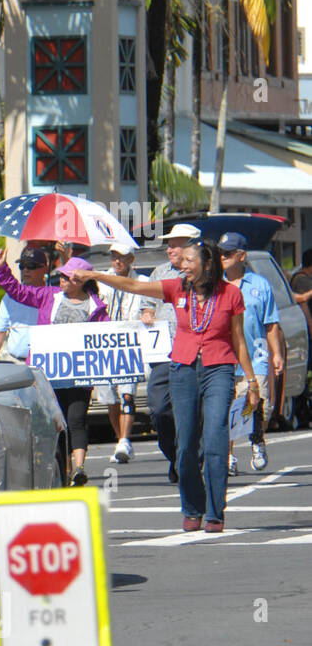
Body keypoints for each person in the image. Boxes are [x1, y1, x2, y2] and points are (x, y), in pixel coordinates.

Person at [71, 241, 259, 533]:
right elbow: (132, 285)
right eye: (180, 261)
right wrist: (96, 276)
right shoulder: (177, 288)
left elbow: (239, 340)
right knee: (185, 444)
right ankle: (192, 508)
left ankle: (214, 513)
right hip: (183, 369)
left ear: (206, 265)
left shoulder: (230, 293)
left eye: (187, 260)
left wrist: (252, 380)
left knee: (215, 439)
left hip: (219, 369)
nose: (181, 265)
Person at [0, 248, 109, 486]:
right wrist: (2, 268)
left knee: (76, 419)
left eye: (68, 276)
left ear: (81, 280)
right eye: (62, 276)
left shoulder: (96, 307)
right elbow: (17, 291)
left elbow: (104, 339)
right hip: (49, 373)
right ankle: (63, 469)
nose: (63, 280)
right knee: (56, 422)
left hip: (79, 373)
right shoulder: (48, 295)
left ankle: (79, 468)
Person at [219, 233, 283, 474]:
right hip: (226, 357)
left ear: (241, 256)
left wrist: (276, 353)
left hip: (256, 357)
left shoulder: (259, 285)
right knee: (229, 407)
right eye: (221, 253)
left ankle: (257, 439)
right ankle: (228, 456)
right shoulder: (216, 285)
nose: (222, 257)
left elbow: (271, 323)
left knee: (255, 404)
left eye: (228, 253)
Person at [143, 222, 198, 483]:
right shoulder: (160, 273)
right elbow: (147, 303)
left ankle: (191, 459)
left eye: (175, 244)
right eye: (169, 244)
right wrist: (147, 312)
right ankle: (175, 455)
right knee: (158, 407)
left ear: (192, 245)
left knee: (191, 410)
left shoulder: (204, 274)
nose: (169, 248)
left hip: (196, 353)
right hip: (163, 353)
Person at [96, 240, 150, 464]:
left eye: (122, 257)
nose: (118, 261)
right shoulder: (102, 280)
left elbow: (149, 305)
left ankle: (125, 440)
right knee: (110, 400)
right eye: (114, 256)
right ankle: (122, 441)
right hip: (105, 346)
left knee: (127, 394)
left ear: (131, 259)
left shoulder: (143, 281)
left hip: (130, 345)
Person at [0, 247, 46, 362]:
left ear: (44, 269)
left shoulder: (53, 296)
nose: (25, 270)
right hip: (16, 362)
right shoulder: (10, 296)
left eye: (31, 266)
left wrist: (65, 257)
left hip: (45, 362)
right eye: (22, 266)